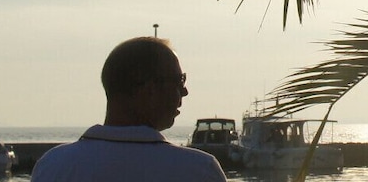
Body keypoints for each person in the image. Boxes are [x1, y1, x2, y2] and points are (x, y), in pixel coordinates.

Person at [31, 37, 225, 181]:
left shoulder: (53, 165)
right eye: (178, 81)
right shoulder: (198, 170)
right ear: (149, 89)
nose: (184, 91)